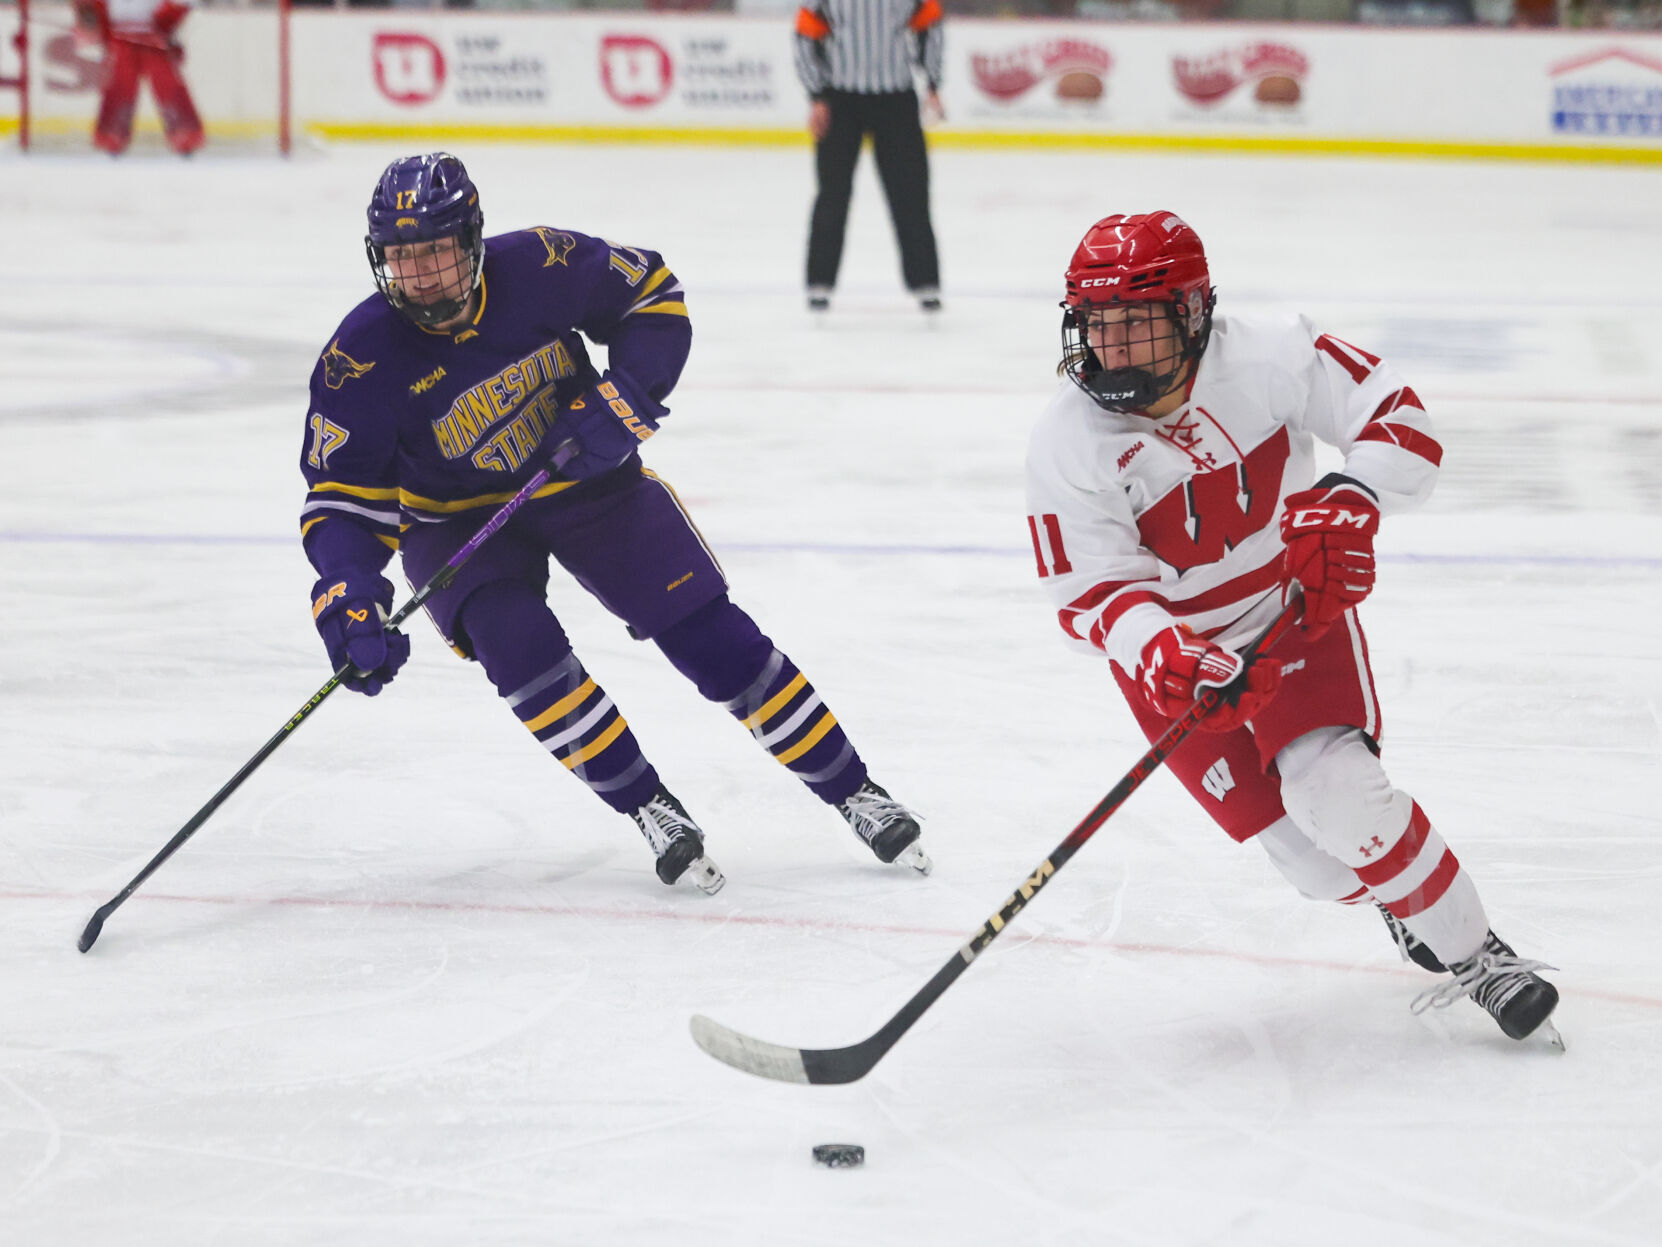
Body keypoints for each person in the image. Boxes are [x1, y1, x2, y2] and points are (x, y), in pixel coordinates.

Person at [299, 152, 931, 895]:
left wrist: (623, 400)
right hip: (457, 523)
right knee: (521, 651)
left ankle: (851, 786)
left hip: (582, 477)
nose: (423, 277)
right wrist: (348, 591)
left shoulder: (538, 262)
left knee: (708, 634)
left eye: (436, 251)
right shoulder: (359, 359)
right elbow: (341, 499)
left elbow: (652, 296)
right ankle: (649, 806)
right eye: (403, 259)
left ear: (471, 240)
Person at [1024, 211, 1560, 1044]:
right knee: (1315, 867)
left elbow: (1400, 417)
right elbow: (1088, 591)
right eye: (1098, 325)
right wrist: (1162, 650)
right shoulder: (1068, 441)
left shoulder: (1272, 354)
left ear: (1194, 314)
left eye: (1136, 323)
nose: (1114, 348)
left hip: (1290, 612)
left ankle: (1478, 954)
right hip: (1178, 664)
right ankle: (1396, 892)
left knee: (1340, 800)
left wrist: (1353, 499)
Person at [792, 0, 944, 315]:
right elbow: (805, 35)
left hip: (896, 97)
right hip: (840, 98)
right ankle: (819, 281)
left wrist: (931, 84)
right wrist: (817, 95)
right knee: (832, 194)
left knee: (911, 192)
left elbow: (930, 26)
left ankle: (925, 282)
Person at [84, 0, 204, 156]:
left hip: (153, 36)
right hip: (123, 37)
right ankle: (111, 135)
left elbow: (181, 4)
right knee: (120, 86)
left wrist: (165, 29)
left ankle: (186, 134)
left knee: (167, 85)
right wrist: (99, 29)